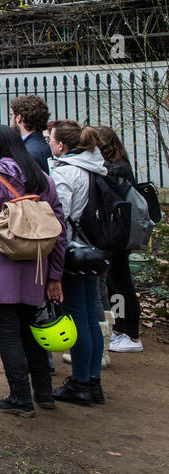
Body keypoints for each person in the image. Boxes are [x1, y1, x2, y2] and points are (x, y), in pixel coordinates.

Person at [0, 124, 65, 416]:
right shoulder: (42, 179)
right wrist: (55, 274)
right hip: (36, 268)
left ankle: (20, 397)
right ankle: (43, 392)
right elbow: (59, 228)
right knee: (33, 330)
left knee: (7, 334)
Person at [48, 119, 111, 405]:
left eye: (52, 139)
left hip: (73, 251)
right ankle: (92, 380)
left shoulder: (67, 173)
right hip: (94, 250)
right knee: (89, 314)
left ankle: (80, 382)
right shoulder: (96, 169)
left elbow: (58, 219)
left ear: (61, 145)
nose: (49, 142)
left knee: (77, 316)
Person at [93, 125, 145, 353]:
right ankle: (119, 328)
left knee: (122, 282)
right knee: (115, 282)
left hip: (119, 235)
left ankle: (132, 335)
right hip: (117, 233)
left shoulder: (116, 170)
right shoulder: (117, 165)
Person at [10, 94, 52, 174]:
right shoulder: (48, 145)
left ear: (19, 118)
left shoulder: (26, 153)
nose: (11, 120)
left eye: (12, 115)